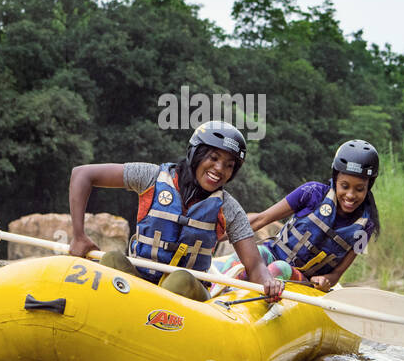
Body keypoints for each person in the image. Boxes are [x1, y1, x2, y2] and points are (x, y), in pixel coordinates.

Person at [68, 121, 284, 303]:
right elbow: (82, 175)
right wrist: (79, 235)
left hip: (188, 296)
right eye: (214, 158)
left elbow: (255, 265)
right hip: (141, 281)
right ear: (195, 153)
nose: (219, 169)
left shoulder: (229, 208)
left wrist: (268, 282)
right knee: (113, 259)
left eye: (229, 165)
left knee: (179, 279)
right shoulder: (151, 177)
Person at [245, 139, 382, 293]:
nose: (350, 195)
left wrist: (325, 281)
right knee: (255, 253)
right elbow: (260, 219)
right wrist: (218, 236)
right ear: (336, 179)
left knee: (279, 268)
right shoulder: (311, 192)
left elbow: (337, 274)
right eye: (344, 186)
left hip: (303, 281)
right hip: (273, 253)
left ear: (368, 187)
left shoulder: (365, 227)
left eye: (359, 189)